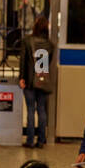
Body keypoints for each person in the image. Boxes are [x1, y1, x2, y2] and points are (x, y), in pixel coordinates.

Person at [18, 16, 56, 148]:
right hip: (43, 80)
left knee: (30, 110)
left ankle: (29, 141)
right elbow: (47, 63)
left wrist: (21, 78)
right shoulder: (50, 45)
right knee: (41, 110)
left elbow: (23, 61)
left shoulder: (27, 41)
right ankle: (41, 141)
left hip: (29, 80)